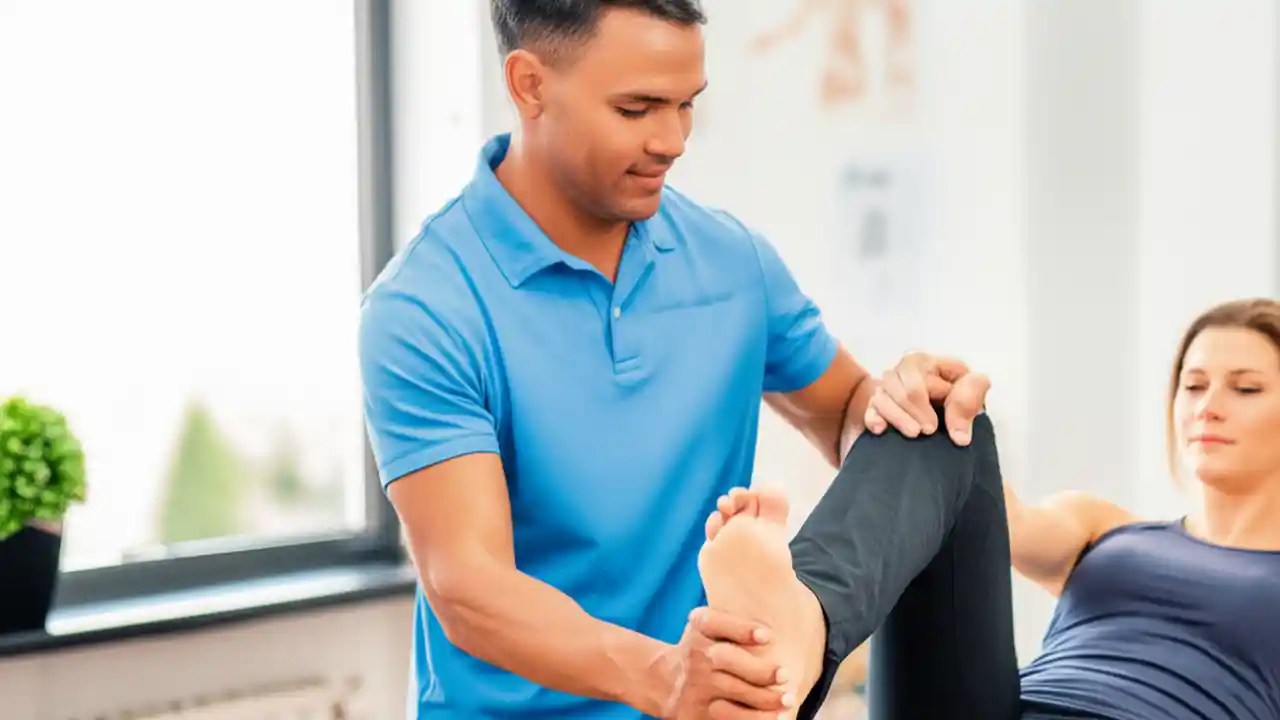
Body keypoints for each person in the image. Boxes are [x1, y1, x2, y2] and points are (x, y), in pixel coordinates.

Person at [357, 1, 991, 718]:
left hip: (713, 702)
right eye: (637, 109)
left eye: (686, 105)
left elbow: (844, 412)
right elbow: (469, 588)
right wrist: (664, 677)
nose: (673, 140)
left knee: (938, 427)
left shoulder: (733, 262)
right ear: (529, 84)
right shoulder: (426, 307)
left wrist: (896, 400)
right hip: (569, 704)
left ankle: (806, 625)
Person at [694, 297, 1280, 720]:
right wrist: (923, 390)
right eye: (1194, 385)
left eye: (1246, 388)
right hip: (995, 708)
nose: (1208, 406)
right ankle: (803, 623)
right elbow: (979, 514)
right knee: (943, 424)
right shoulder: (1103, 526)